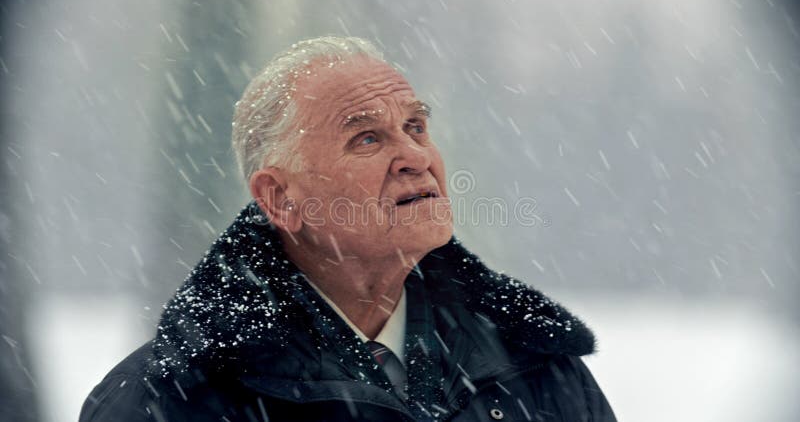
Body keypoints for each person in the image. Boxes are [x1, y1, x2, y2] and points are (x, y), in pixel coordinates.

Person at [80, 36, 616, 421]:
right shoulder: (169, 399)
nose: (415, 156)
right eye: (367, 138)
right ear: (280, 199)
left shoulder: (535, 367)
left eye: (416, 127)